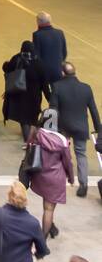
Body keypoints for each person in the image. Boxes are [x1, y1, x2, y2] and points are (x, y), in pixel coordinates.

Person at [49, 62, 99, 197]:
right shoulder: (86, 88)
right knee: (81, 154)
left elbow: (53, 109)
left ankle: (59, 180)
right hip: (81, 127)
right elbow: (94, 111)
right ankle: (83, 184)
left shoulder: (57, 87)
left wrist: (50, 129)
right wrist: (99, 130)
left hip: (63, 127)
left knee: (60, 153)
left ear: (62, 73)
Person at [26, 112, 74, 240]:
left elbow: (29, 147)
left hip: (40, 175)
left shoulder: (37, 134)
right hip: (55, 178)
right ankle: (42, 240)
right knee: (49, 209)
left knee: (46, 204)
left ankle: (51, 227)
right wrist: (71, 178)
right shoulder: (63, 141)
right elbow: (68, 162)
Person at [2, 40, 52, 144]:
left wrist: (5, 65)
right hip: (34, 97)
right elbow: (44, 85)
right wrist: (50, 99)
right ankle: (32, 141)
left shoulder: (16, 59)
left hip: (19, 95)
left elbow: (7, 69)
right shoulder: (39, 63)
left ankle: (28, 143)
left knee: (24, 120)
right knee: (32, 118)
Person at [32, 11, 67, 84]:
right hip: (58, 70)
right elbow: (64, 52)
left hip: (44, 71)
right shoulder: (60, 33)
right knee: (56, 92)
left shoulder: (37, 35)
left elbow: (36, 55)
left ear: (39, 21)